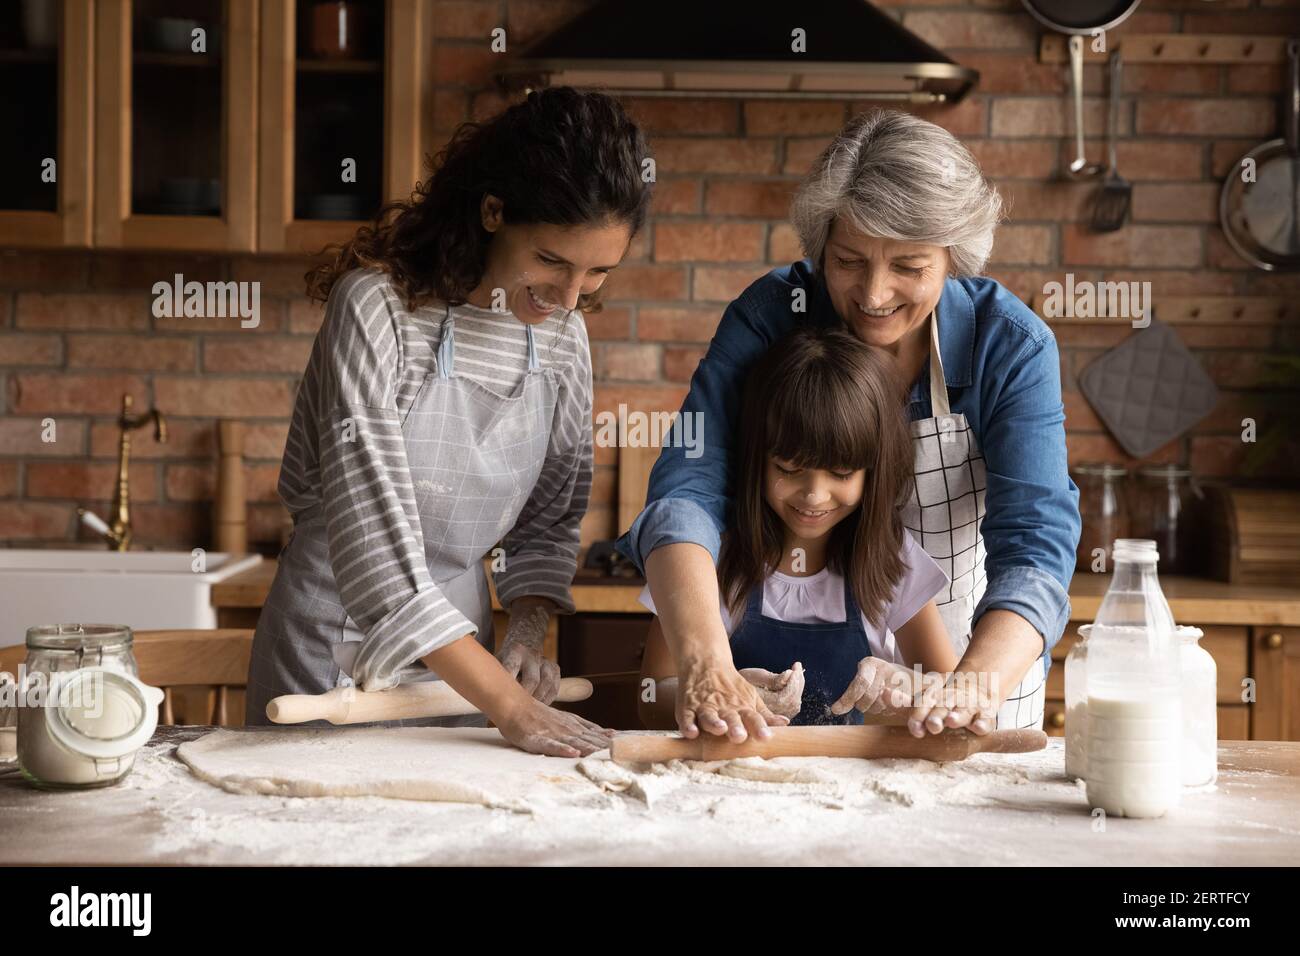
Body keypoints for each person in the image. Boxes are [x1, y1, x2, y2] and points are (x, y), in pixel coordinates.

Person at [617, 109, 1081, 742]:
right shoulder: (770, 318)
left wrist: (969, 686)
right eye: (848, 261)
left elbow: (1034, 544)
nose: (873, 294)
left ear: (954, 259)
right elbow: (687, 490)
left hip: (979, 659)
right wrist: (706, 666)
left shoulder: (1010, 346)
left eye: (909, 268)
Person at [247, 88, 653, 757]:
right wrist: (508, 704)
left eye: (598, 273)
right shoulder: (376, 310)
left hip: (465, 664)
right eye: (551, 261)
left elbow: (548, 523)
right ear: (493, 211)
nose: (570, 298)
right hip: (334, 648)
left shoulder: (563, 338)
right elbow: (374, 553)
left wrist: (523, 635)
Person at [637, 327, 957, 730]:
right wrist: (726, 692)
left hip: (853, 788)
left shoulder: (892, 560)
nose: (814, 496)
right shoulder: (708, 558)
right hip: (734, 780)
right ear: (757, 459)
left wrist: (907, 690)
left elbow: (953, 692)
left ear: (873, 472)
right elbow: (650, 697)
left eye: (841, 473)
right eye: (789, 470)